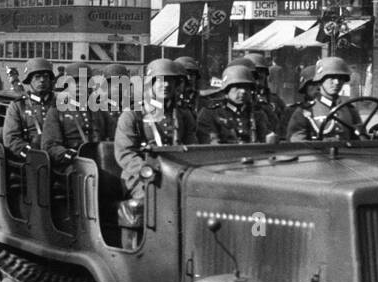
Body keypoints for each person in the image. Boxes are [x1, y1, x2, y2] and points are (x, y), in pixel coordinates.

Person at [114, 58, 197, 200]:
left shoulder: (184, 114)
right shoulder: (133, 114)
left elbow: (193, 147)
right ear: (150, 83)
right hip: (143, 177)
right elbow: (125, 153)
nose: (165, 85)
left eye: (170, 81)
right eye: (159, 80)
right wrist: (146, 170)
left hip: (178, 173)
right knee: (155, 199)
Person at [196, 64, 277, 144]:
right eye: (238, 87)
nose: (243, 91)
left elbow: (264, 138)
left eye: (246, 87)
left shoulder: (257, 114)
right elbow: (212, 145)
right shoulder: (210, 113)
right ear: (226, 91)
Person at [284, 58, 361, 141]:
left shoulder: (350, 109)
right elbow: (297, 144)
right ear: (320, 81)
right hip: (317, 153)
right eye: (331, 78)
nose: (337, 82)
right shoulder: (305, 111)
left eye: (341, 78)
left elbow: (362, 141)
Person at [3, 58, 58, 160]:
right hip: (30, 159)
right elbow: (11, 139)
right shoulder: (18, 105)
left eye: (46, 76)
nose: (42, 80)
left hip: (57, 155)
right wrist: (31, 154)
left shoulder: (58, 103)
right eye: (37, 77)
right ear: (29, 80)